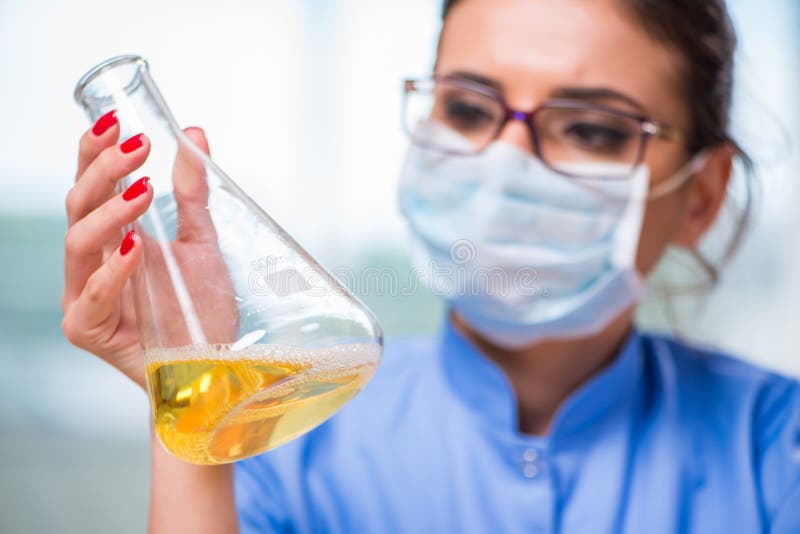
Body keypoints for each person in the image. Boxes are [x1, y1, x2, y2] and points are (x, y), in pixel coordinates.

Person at [61, 0, 800, 532]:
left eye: (591, 129)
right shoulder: (281, 430)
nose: (506, 167)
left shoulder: (775, 447)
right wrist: (188, 374)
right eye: (471, 110)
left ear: (702, 195)